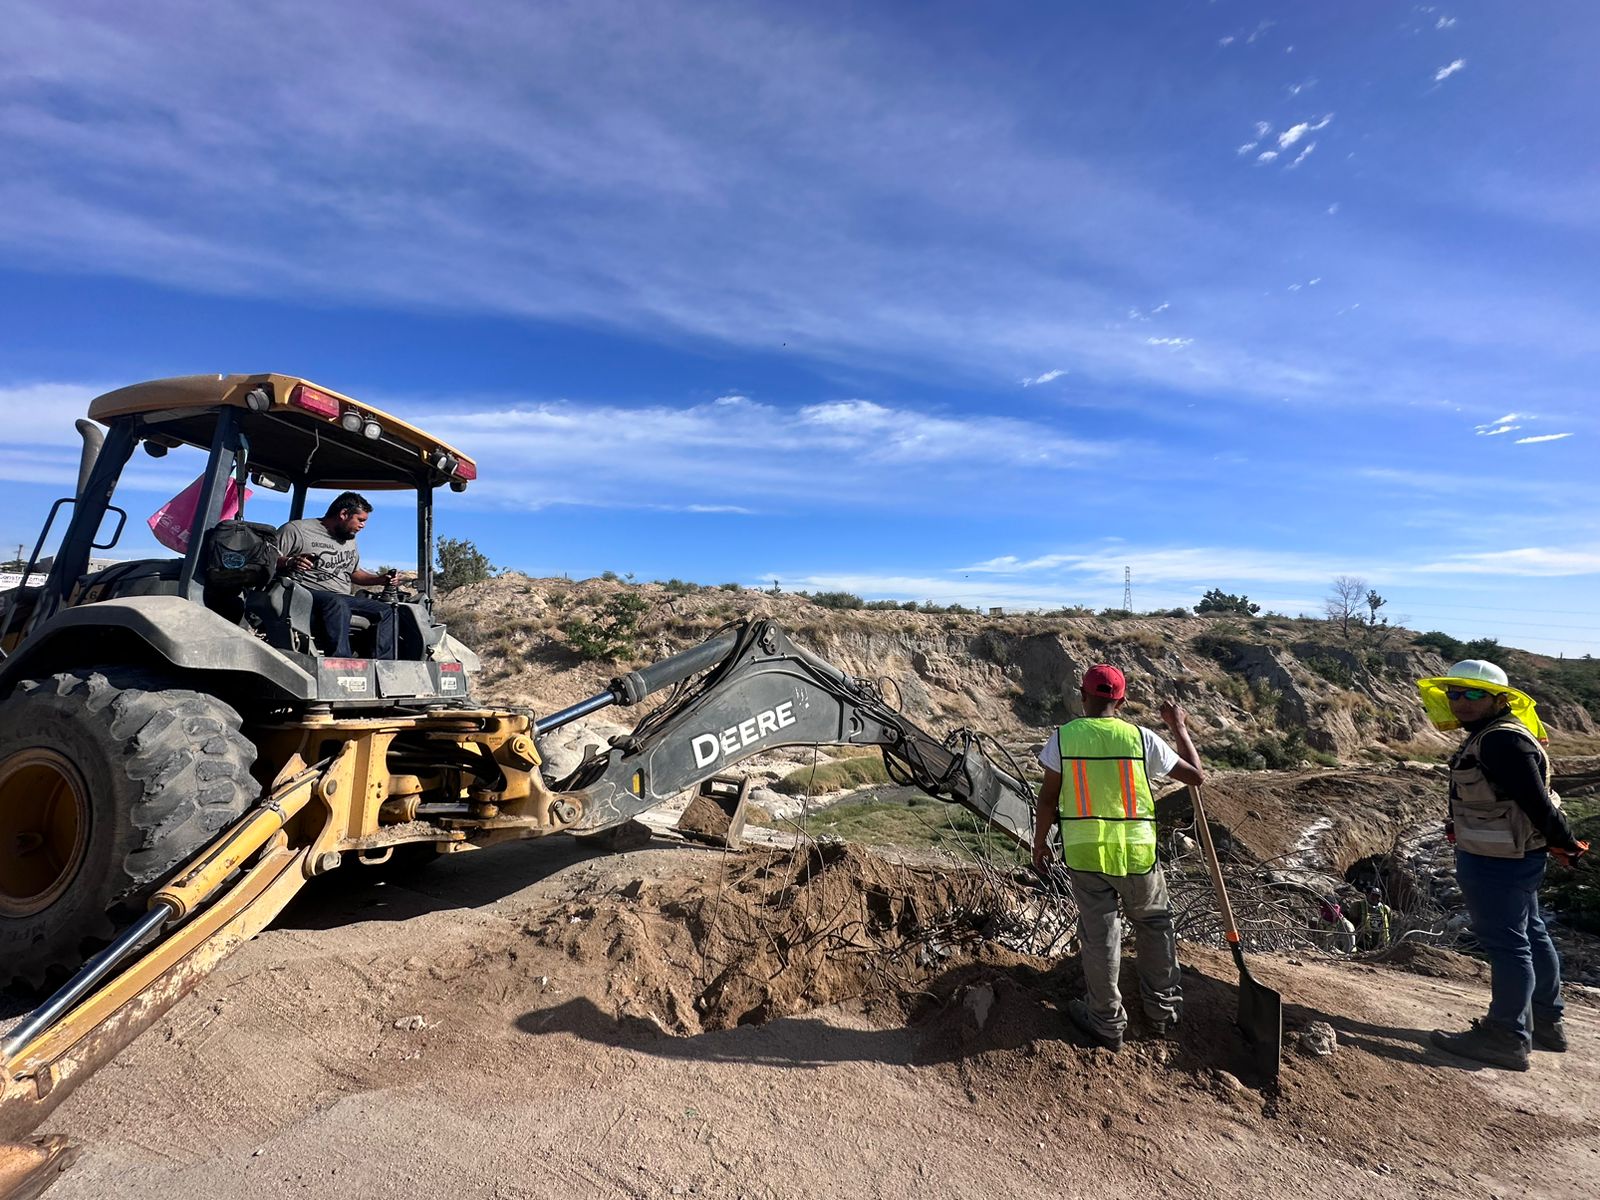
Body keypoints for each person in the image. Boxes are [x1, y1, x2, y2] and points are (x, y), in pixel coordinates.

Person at [1418, 659, 1589, 1071]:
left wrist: (1564, 843)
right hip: (1510, 855)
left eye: (1474, 693)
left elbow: (1538, 802)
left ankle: (1506, 1037)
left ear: (1500, 698)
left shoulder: (1501, 742)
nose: (1462, 702)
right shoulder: (1495, 735)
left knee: (1508, 944)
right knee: (1530, 932)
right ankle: (1547, 1023)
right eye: (1455, 694)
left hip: (1498, 859)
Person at [1031, 664, 1206, 1051]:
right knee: (1155, 926)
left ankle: (1107, 1021)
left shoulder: (1063, 739)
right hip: (1137, 854)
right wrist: (1178, 726)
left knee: (1100, 937)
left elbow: (1047, 799)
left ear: (1083, 696)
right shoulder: (1142, 738)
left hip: (1086, 853)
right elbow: (1196, 775)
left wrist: (1039, 842)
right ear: (1122, 702)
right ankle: (1162, 1012)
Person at [272, 492, 402, 659]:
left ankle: (382, 665)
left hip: (339, 596)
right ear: (343, 514)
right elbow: (268, 559)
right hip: (304, 593)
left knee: (387, 610)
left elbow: (353, 573)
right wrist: (290, 561)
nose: (363, 526)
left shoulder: (349, 539)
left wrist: (380, 579)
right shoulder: (296, 530)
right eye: (360, 520)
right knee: (337, 603)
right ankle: (342, 662)